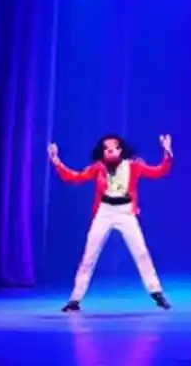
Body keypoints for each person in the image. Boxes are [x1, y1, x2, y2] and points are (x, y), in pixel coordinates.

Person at [48, 133, 174, 312]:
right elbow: (75, 177)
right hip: (104, 212)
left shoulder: (134, 166)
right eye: (106, 149)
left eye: (113, 148)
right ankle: (75, 299)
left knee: (141, 253)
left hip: (126, 212)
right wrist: (56, 161)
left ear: (120, 150)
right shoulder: (98, 168)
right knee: (89, 256)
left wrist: (167, 153)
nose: (110, 151)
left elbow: (158, 171)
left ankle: (157, 293)